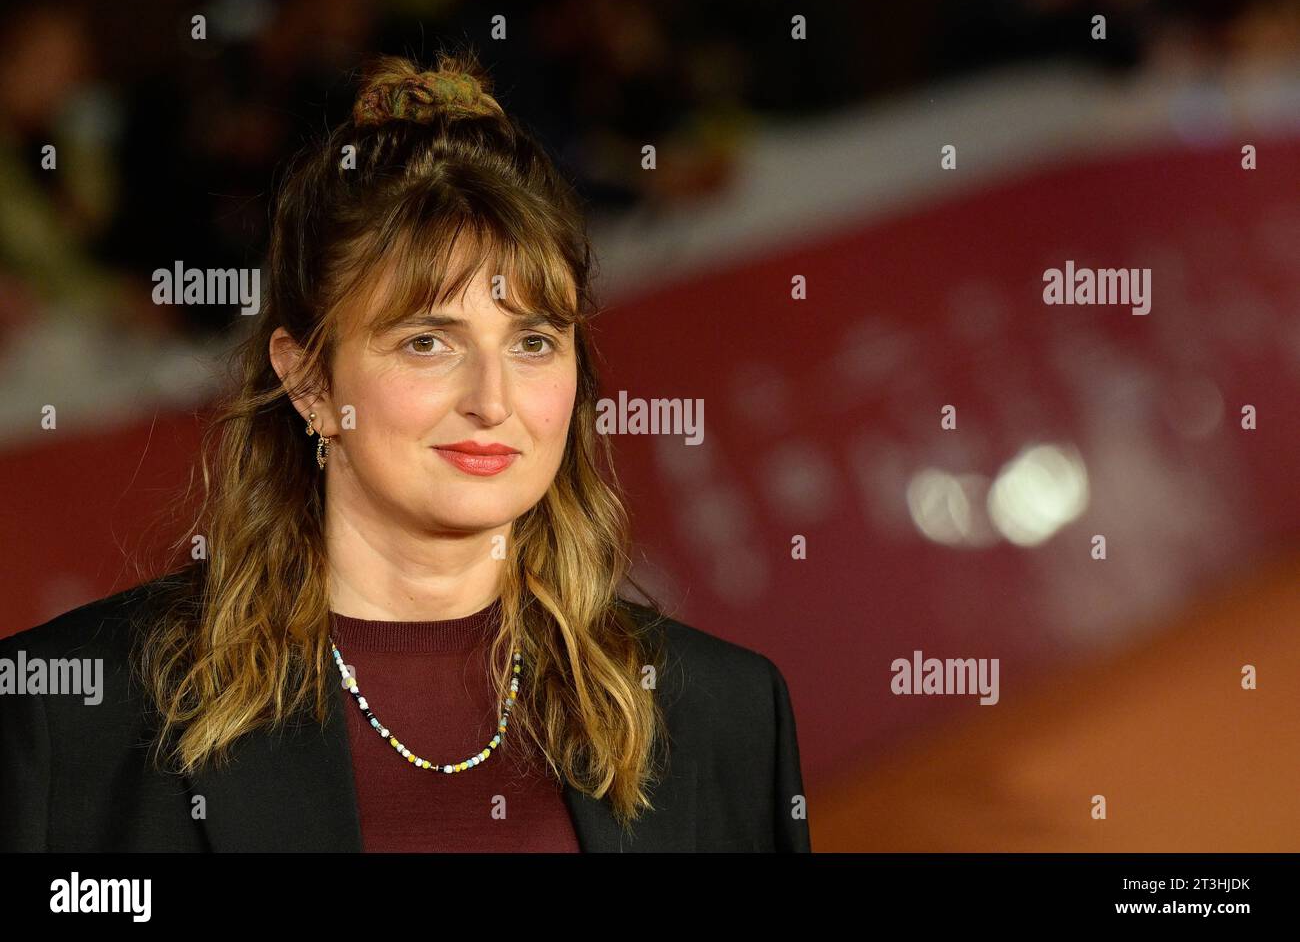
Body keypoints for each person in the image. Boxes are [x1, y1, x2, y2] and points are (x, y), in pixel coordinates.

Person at [0, 50, 811, 853]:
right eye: (428, 341)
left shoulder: (723, 715)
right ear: (310, 381)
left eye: (532, 341)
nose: (492, 401)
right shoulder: (72, 721)